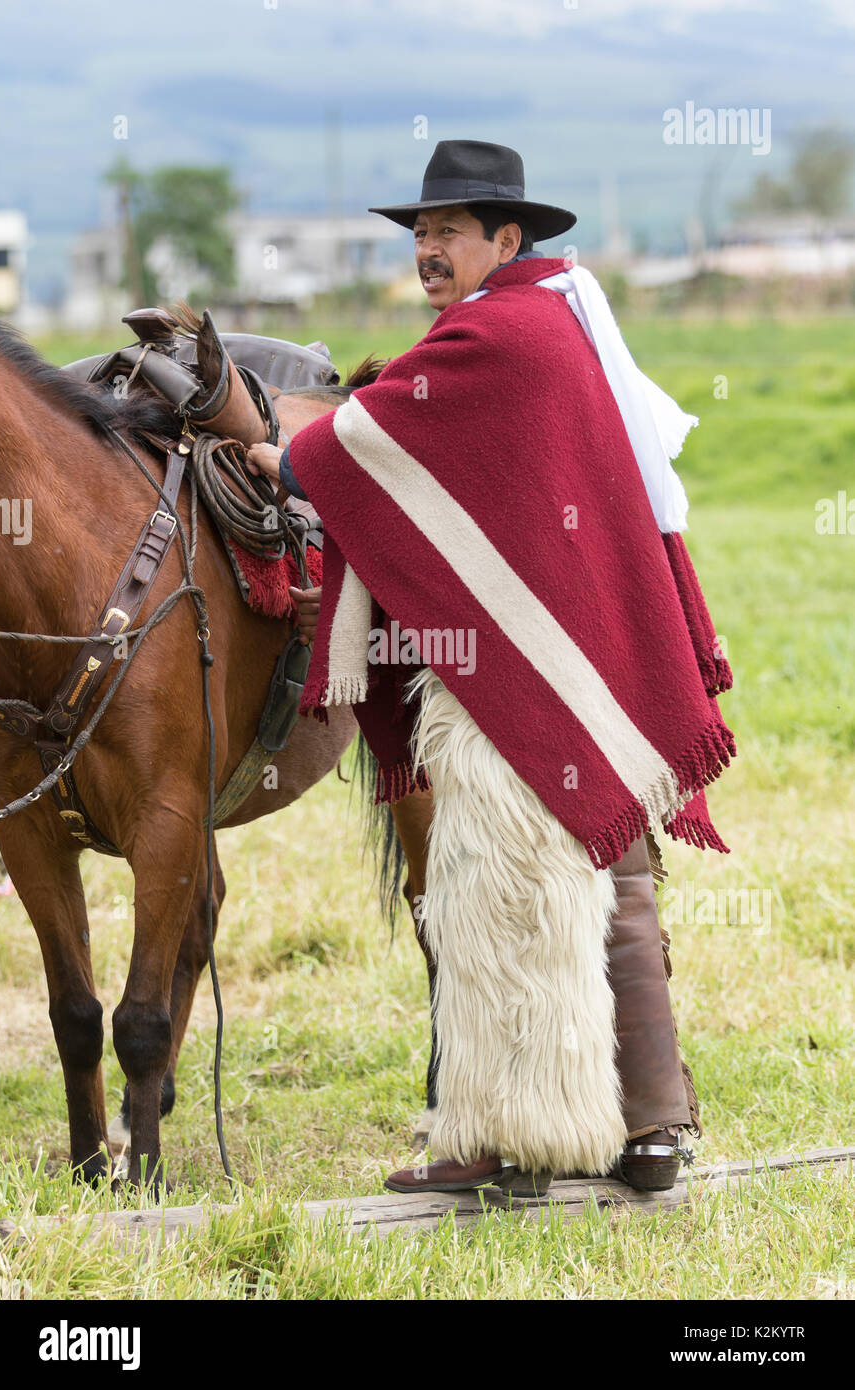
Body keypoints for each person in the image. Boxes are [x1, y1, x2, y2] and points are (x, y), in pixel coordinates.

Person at [247, 140, 734, 1195]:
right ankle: (640, 1132)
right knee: (608, 879)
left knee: (493, 888)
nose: (427, 248)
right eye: (419, 233)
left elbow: (370, 443)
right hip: (582, 654)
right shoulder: (546, 318)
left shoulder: (495, 333)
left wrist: (286, 452)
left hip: (518, 681)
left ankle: (509, 1142)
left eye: (447, 231)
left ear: (503, 239)